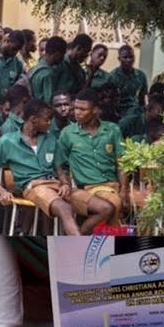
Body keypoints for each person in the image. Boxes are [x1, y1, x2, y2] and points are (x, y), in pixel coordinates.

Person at [0, 98, 82, 235]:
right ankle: (78, 246)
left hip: (56, 185)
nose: (50, 123)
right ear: (34, 119)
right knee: (65, 209)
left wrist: (65, 183)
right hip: (34, 187)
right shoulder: (8, 141)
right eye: (47, 120)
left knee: (103, 207)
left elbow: (59, 170)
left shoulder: (50, 139)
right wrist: (1, 191)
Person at [57, 89, 129, 233]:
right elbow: (59, 164)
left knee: (148, 203)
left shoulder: (112, 130)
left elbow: (122, 162)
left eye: (83, 109)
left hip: (115, 186)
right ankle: (84, 240)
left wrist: (124, 190)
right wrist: (65, 183)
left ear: (95, 110)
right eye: (76, 108)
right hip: (87, 189)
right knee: (114, 203)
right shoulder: (68, 133)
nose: (77, 112)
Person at [111, 44, 149, 118]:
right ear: (119, 58)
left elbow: (142, 98)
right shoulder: (113, 76)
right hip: (119, 113)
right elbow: (111, 101)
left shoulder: (141, 75)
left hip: (136, 112)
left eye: (131, 57)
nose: (128, 60)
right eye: (125, 57)